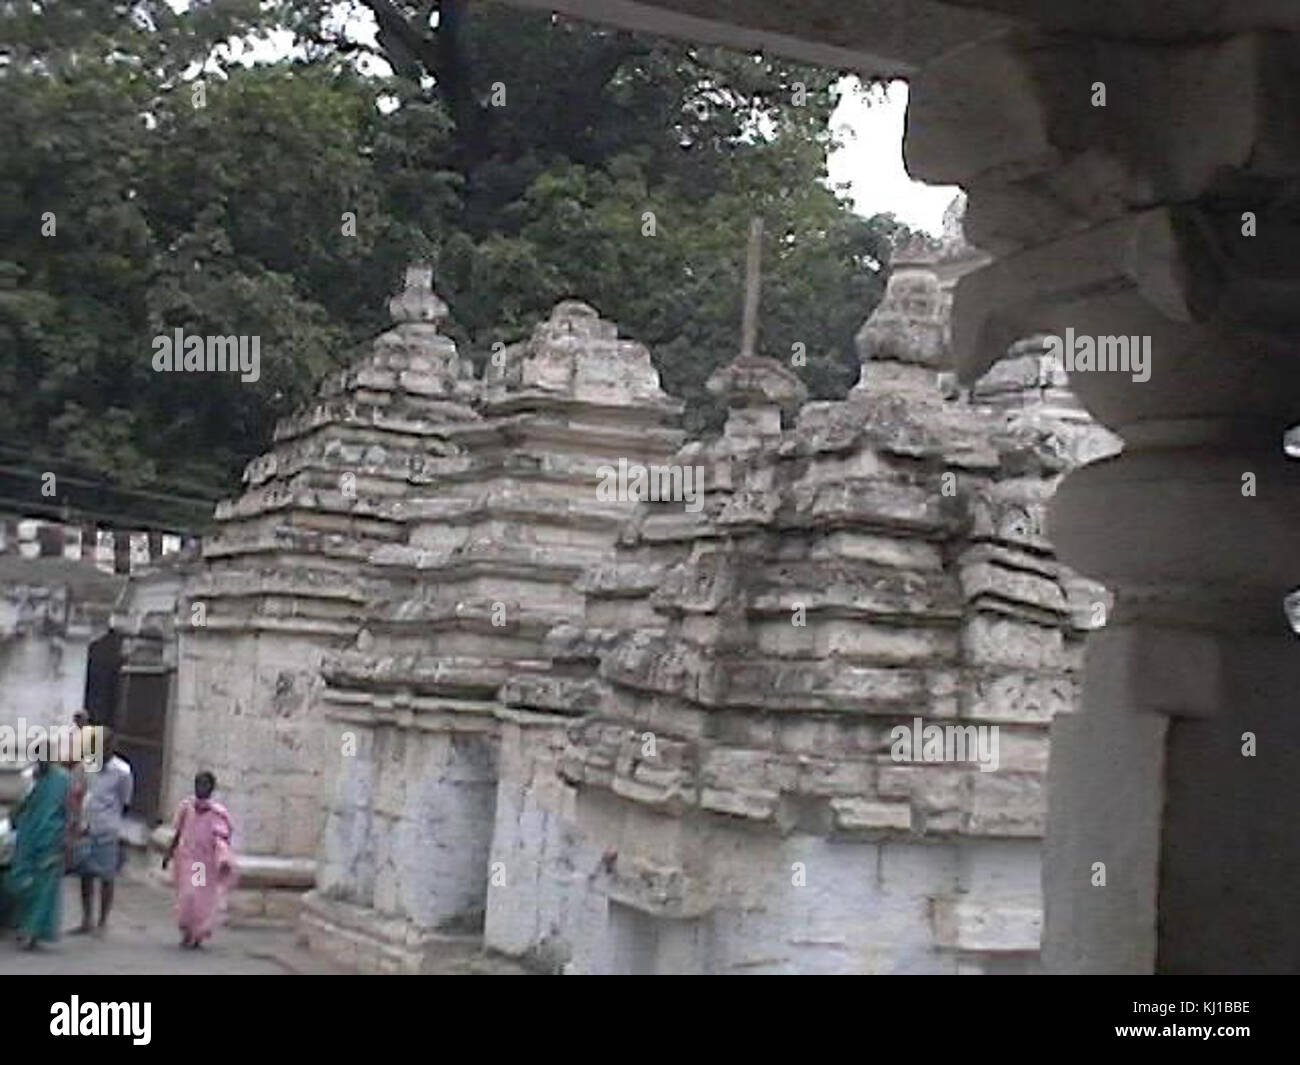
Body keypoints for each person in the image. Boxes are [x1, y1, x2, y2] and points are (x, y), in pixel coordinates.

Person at [4, 754, 74, 950]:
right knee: (22, 882)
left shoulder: (63, 779)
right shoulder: (29, 778)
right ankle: (23, 925)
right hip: (27, 838)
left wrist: (69, 838)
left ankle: (31, 931)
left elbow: (70, 809)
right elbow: (17, 807)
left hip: (51, 838)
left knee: (44, 888)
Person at [163, 771, 235, 949]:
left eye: (205, 785)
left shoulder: (216, 813)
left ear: (211, 789)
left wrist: (224, 859)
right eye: (198, 784)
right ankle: (187, 930)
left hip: (201, 864)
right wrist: (169, 853)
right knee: (185, 896)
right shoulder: (186, 807)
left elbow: (222, 839)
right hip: (185, 858)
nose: (201, 788)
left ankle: (197, 932)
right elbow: (178, 832)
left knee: (195, 896)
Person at [72, 729, 132, 936]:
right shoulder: (86, 767)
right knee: (85, 874)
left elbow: (124, 800)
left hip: (107, 827)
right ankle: (86, 919)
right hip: (86, 826)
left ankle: (102, 921)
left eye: (106, 746)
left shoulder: (122, 771)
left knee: (107, 876)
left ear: (113, 747)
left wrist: (113, 820)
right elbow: (80, 793)